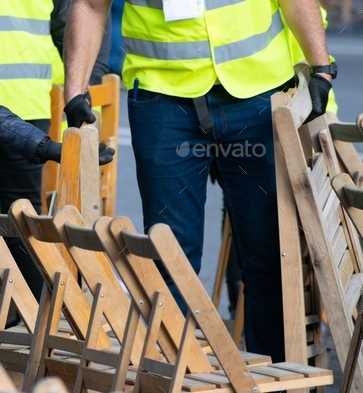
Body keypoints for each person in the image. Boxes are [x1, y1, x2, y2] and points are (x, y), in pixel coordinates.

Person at [63, 0, 336, 362]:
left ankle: (274, 382)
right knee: (169, 256)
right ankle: (177, 377)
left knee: (271, 256)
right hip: (164, 100)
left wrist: (321, 68)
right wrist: (75, 91)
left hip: (258, 94)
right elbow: (90, 5)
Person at [0, 0, 114, 302]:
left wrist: (84, 89)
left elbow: (81, 15)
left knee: (1, 219)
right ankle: (15, 317)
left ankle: (20, 316)